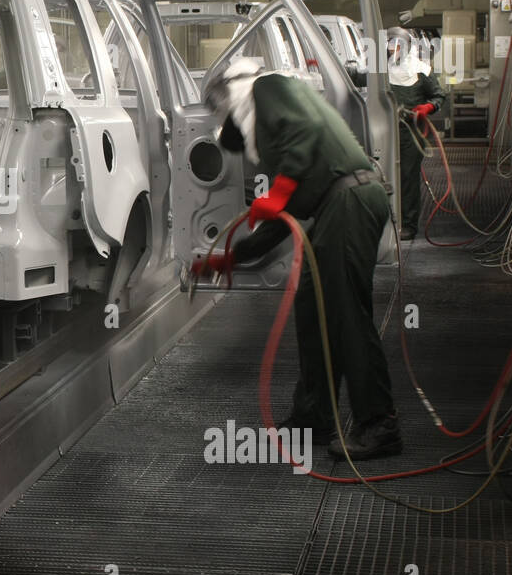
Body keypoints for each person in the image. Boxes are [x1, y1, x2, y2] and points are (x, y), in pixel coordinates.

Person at [190, 58, 401, 460]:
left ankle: (379, 424)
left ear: (230, 95)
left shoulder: (269, 88)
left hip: (350, 201)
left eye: (220, 110)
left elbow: (301, 147)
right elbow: (280, 222)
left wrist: (279, 192)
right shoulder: (270, 131)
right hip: (334, 207)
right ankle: (314, 417)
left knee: (345, 316)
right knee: (313, 308)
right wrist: (227, 260)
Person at [387, 28, 447, 240]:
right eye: (389, 44)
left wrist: (428, 108)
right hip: (386, 131)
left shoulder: (421, 70)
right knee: (384, 175)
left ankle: (408, 224)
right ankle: (387, 222)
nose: (393, 49)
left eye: (397, 44)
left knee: (407, 177)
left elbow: (439, 96)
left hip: (412, 132)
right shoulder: (380, 71)